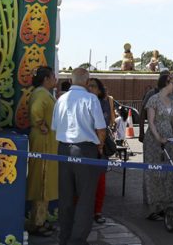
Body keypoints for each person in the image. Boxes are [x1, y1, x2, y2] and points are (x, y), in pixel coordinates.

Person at [51, 68, 107, 245]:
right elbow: (101, 129)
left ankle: (65, 237)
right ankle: (77, 240)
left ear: (71, 79)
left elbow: (54, 126)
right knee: (85, 197)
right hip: (85, 149)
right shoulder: (91, 99)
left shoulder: (61, 99)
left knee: (65, 196)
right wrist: (100, 146)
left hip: (63, 149)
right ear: (86, 80)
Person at [143, 72, 173, 220]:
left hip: (168, 139)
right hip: (154, 140)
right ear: (166, 83)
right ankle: (154, 207)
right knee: (154, 172)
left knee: (168, 172)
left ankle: (167, 206)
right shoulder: (153, 100)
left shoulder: (171, 100)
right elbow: (151, 121)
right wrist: (158, 137)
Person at [26, 66, 58, 236]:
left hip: (47, 141)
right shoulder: (41, 94)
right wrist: (41, 124)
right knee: (42, 182)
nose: (55, 79)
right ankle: (37, 224)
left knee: (44, 181)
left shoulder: (43, 93)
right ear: (46, 78)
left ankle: (41, 219)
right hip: (44, 141)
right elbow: (36, 111)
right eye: (53, 76)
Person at [87, 77, 116, 224]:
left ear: (99, 90)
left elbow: (102, 125)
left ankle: (97, 211)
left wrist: (100, 145)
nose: (90, 88)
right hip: (85, 147)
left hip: (99, 147)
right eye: (88, 86)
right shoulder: (83, 102)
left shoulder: (103, 103)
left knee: (100, 181)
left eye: (93, 86)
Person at [138, 67, 173, 143]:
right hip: (154, 135)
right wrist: (141, 132)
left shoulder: (172, 95)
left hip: (169, 135)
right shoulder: (151, 94)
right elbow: (142, 113)